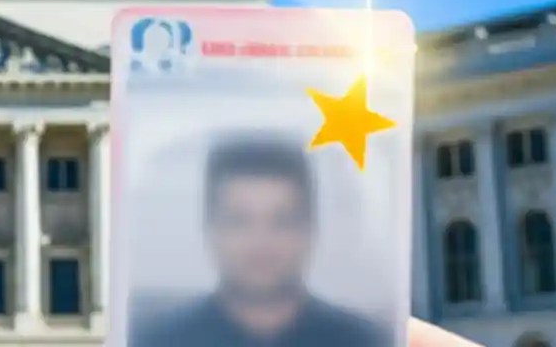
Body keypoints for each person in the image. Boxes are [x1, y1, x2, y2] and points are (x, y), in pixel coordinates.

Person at [130, 138, 389, 346]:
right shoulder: (158, 341)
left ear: (310, 229)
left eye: (282, 221)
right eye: (239, 221)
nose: (261, 242)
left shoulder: (365, 341)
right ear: (210, 229)